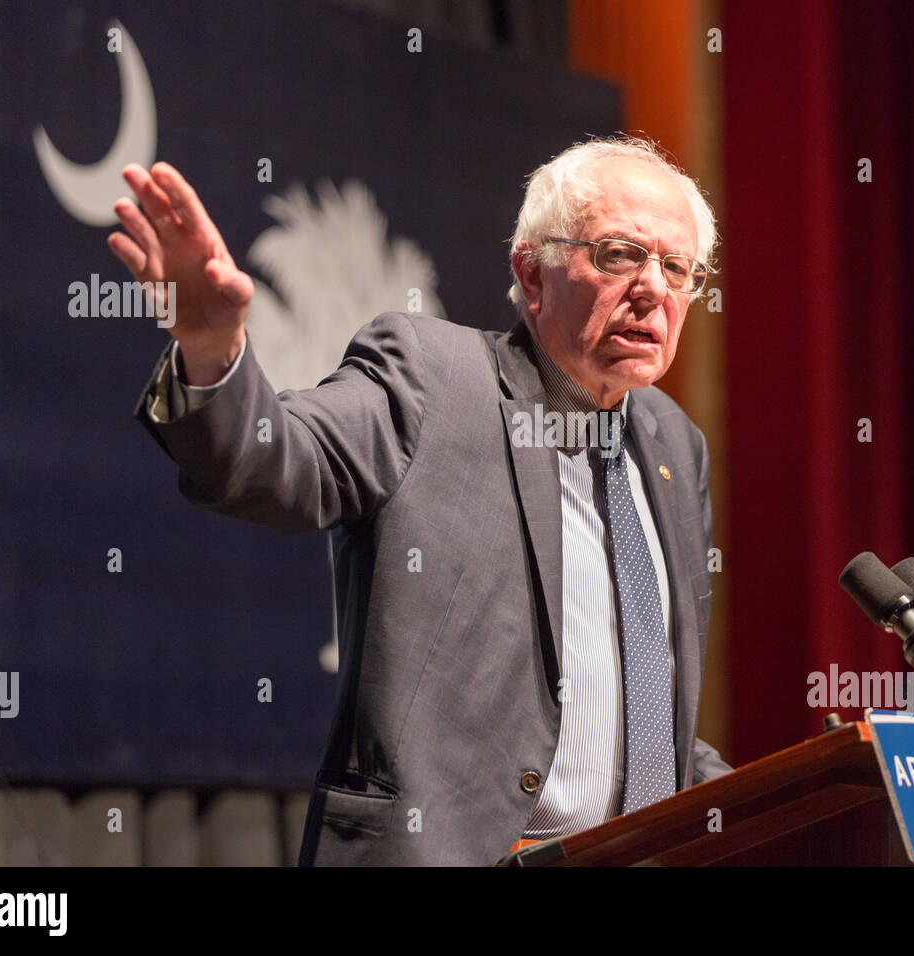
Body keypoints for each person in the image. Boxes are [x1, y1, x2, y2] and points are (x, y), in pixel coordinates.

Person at [110, 135, 733, 866]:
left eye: (676, 267)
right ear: (532, 273)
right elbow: (275, 464)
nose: (653, 288)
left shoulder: (672, 445)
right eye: (620, 254)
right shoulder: (432, 380)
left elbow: (647, 705)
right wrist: (212, 349)